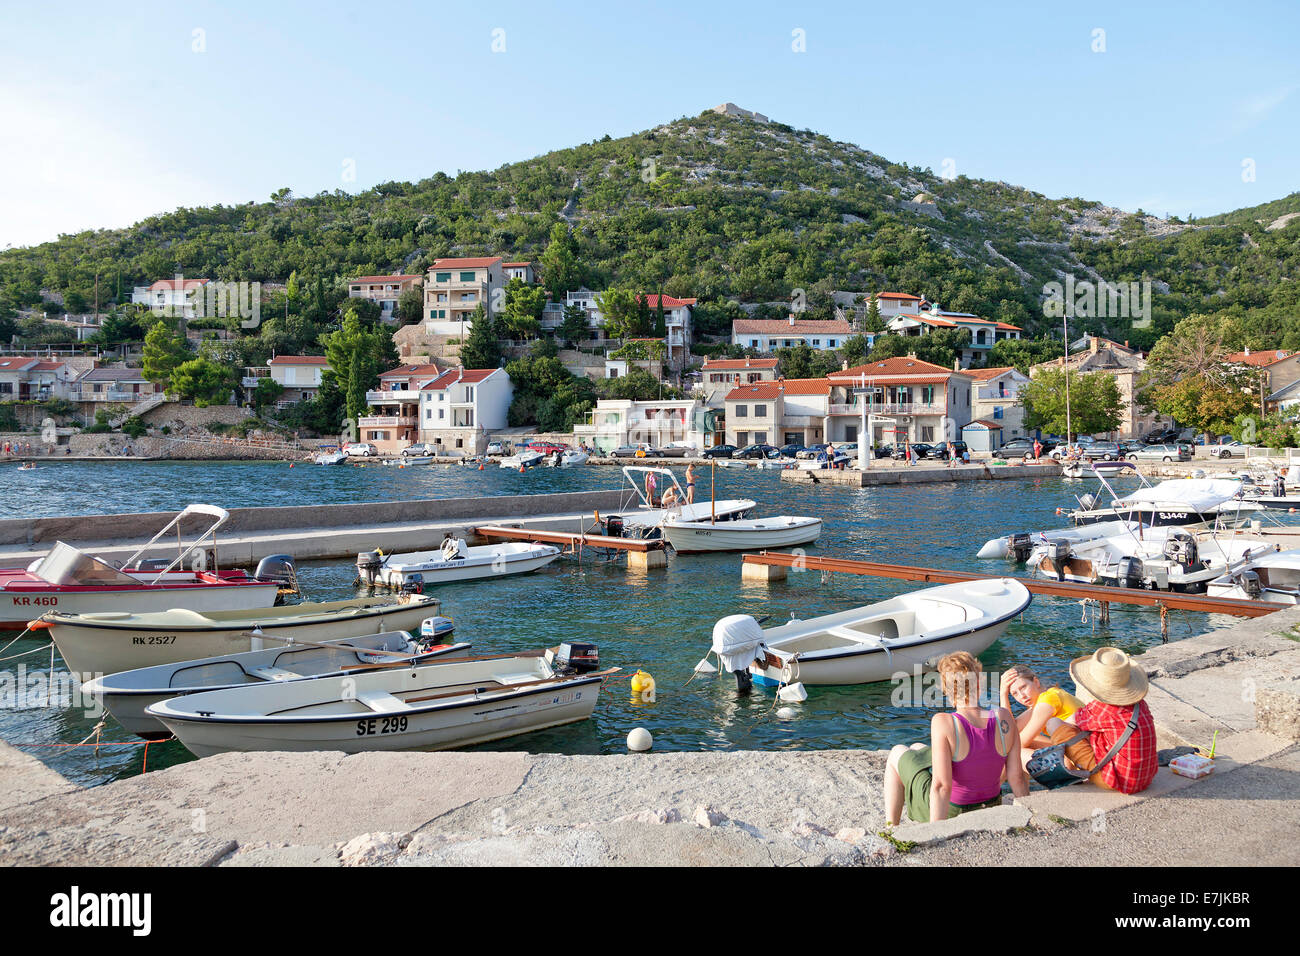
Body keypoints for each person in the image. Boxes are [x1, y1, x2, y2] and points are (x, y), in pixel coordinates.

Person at [884, 651, 1029, 825]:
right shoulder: (1003, 717)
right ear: (978, 685)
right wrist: (1029, 814)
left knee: (896, 752)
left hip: (955, 812)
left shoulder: (944, 722)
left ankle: (891, 827)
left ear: (947, 690)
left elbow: (941, 787)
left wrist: (936, 831)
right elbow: (1017, 777)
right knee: (916, 747)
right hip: (991, 805)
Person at [1042, 647, 1157, 794]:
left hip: (1117, 780)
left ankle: (1070, 770)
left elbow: (1071, 722)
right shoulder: (1140, 704)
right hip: (1145, 778)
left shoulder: (1102, 707)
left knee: (1053, 724)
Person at [999, 664, 1083, 760]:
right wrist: (1003, 694)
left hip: (1081, 757)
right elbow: (1009, 730)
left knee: (1012, 752)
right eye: (1015, 693)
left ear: (1036, 682)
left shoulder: (1048, 700)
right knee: (1014, 740)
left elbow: (1018, 743)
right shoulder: (1044, 699)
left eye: (1023, 687)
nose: (1022, 696)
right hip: (1077, 749)